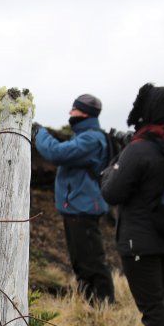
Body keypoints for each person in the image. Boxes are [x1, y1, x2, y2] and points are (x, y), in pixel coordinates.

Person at [101, 83, 164, 326]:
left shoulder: (140, 149)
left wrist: (110, 168)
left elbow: (111, 192)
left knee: (152, 307)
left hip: (141, 242)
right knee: (162, 301)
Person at [34, 94, 115, 304]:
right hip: (78, 207)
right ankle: (91, 302)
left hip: (84, 208)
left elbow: (56, 153)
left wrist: (40, 133)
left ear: (84, 113)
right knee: (81, 260)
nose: (70, 113)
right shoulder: (85, 136)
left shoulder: (90, 139)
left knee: (91, 261)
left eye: (74, 109)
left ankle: (104, 304)